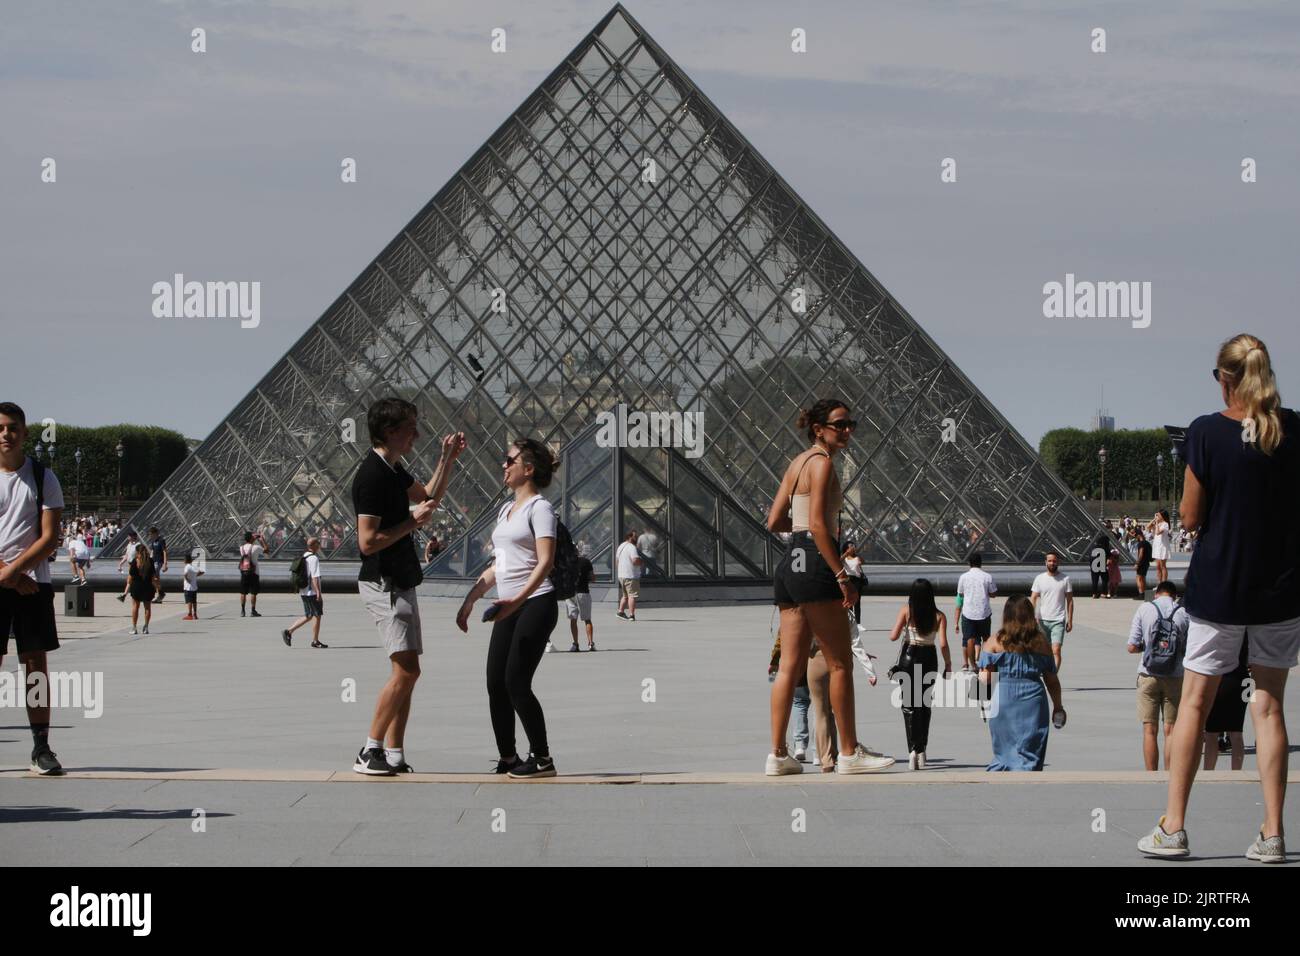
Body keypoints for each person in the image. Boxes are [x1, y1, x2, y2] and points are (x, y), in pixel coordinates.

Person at [1139, 334, 1299, 864]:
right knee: (1270, 709)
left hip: (1221, 588)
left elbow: (1188, 518)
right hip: (1279, 591)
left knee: (1195, 705)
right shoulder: (1293, 429)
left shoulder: (1205, 433)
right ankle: (1273, 834)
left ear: (1225, 378)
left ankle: (1174, 827)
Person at [765, 398, 895, 775]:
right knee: (840, 665)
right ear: (819, 429)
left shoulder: (797, 463)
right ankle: (850, 753)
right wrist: (842, 576)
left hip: (791, 563)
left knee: (789, 667)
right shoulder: (821, 464)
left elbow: (774, 521)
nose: (848, 430)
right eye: (840, 424)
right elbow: (821, 525)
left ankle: (778, 754)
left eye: (851, 423)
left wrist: (803, 530)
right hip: (816, 563)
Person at [352, 397, 464, 776]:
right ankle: (370, 750)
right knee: (405, 671)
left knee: (410, 671)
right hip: (383, 581)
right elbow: (366, 543)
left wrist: (447, 459)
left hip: (400, 578)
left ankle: (395, 751)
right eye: (410, 426)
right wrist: (412, 524)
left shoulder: (393, 468)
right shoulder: (372, 476)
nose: (416, 433)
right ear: (389, 431)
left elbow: (429, 496)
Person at [456, 439, 562, 779]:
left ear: (527, 468)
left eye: (509, 459)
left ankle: (543, 758)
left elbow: (545, 562)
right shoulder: (506, 510)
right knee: (494, 683)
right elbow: (500, 565)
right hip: (508, 604)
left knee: (517, 682)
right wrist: (472, 596)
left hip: (535, 603)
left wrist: (516, 600)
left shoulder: (540, 509)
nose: (504, 465)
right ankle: (509, 757)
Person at [0, 402, 66, 774]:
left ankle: (41, 746)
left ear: (25, 433)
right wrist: (9, 573)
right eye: (1, 428)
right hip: (19, 578)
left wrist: (13, 572)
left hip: (31, 583)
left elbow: (50, 537)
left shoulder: (44, 477)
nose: (6, 434)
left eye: (12, 427)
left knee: (35, 666)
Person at [979, 595, 1064, 771]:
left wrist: (982, 701)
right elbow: (1052, 682)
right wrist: (1058, 706)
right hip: (1034, 702)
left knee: (1004, 754)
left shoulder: (994, 642)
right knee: (1030, 753)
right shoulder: (1041, 643)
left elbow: (985, 678)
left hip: (1003, 699)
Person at [886, 578, 952, 770]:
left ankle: (912, 751)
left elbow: (893, 636)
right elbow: (943, 644)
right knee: (924, 703)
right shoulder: (939, 616)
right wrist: (948, 664)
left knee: (909, 705)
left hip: (909, 657)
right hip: (929, 657)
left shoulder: (906, 611)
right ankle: (922, 749)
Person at [1127, 580, 1189, 770]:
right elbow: (1187, 649)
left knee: (1149, 730)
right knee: (1171, 730)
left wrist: (1147, 649)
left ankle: (1150, 774)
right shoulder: (1183, 613)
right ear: (1174, 595)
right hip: (1175, 675)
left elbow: (1131, 646)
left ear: (1157, 594)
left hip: (1148, 674)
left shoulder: (1145, 609)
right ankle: (1170, 774)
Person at [1203, 638, 1249, 771]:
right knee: (1237, 731)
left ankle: (1208, 771)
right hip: (1243, 678)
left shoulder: (1218, 626)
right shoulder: (1247, 628)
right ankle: (1237, 771)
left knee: (1212, 732)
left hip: (1219, 676)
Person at [1030, 550, 1073, 674]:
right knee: (1042, 650)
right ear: (1045, 562)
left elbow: (1070, 601)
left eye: (1054, 561)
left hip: (1058, 620)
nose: (1052, 563)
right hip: (1042, 620)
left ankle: (1052, 675)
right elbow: (1033, 597)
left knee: (1056, 650)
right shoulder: (1039, 579)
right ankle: (1042, 671)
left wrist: (1070, 620)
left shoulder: (1065, 579)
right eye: (1049, 561)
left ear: (1058, 562)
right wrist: (1032, 616)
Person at [283, 536, 327, 648]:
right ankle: (315, 641)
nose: (319, 545)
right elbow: (314, 577)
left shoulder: (304, 556)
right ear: (313, 545)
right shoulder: (314, 558)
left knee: (309, 615)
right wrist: (318, 593)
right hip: (312, 592)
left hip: (303, 590)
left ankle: (289, 631)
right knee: (317, 615)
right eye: (318, 543)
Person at [955, 553, 996, 671]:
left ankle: (973, 665)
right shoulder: (988, 576)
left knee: (970, 640)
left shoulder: (963, 577)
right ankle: (986, 663)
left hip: (968, 613)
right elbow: (993, 594)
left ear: (969, 563)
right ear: (981, 563)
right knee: (986, 639)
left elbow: (961, 594)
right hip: (984, 612)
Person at [565, 547, 596, 651]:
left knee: (573, 620)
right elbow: (592, 578)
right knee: (587, 619)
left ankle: (575, 644)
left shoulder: (567, 562)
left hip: (570, 593)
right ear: (577, 551)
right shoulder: (586, 562)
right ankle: (590, 643)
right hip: (583, 592)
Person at [127, 544, 154, 635]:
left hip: (136, 586)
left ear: (137, 552)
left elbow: (130, 577)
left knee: (135, 607)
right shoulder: (150, 561)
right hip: (148, 586)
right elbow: (154, 577)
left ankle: (134, 628)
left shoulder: (135, 561)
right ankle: (146, 627)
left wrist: (126, 589)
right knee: (147, 607)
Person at [615, 531, 642, 621]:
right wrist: (641, 562)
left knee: (625, 595)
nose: (637, 538)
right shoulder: (632, 547)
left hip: (621, 575)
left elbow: (617, 562)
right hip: (630, 575)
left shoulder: (621, 546)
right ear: (630, 537)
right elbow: (634, 561)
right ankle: (631, 615)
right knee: (632, 596)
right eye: (635, 536)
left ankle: (620, 612)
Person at [237, 531, 263, 618]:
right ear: (252, 538)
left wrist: (253, 539)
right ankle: (253, 611)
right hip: (254, 572)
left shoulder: (241, 548)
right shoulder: (256, 547)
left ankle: (242, 611)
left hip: (244, 571)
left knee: (243, 592)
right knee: (253, 592)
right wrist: (261, 540)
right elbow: (267, 550)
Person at [840, 543, 864, 623]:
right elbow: (839, 560)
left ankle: (858, 623)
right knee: (849, 601)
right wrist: (846, 553)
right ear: (846, 548)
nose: (853, 547)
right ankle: (851, 621)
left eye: (854, 546)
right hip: (849, 579)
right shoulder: (844, 558)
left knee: (857, 602)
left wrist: (858, 555)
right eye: (851, 546)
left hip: (857, 579)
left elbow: (863, 561)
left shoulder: (857, 557)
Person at [115, 530, 141, 603]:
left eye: (129, 536)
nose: (128, 537)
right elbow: (127, 556)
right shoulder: (129, 545)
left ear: (133, 537)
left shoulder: (138, 545)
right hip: (130, 565)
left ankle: (125, 595)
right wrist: (120, 564)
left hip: (135, 565)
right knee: (130, 580)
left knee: (130, 580)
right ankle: (124, 595)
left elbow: (140, 556)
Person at [1147, 510, 1172, 584]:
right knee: (1158, 566)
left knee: (1162, 565)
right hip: (1157, 546)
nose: (1157, 516)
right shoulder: (1157, 523)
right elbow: (1148, 527)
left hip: (1163, 546)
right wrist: (1154, 520)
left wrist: (1157, 523)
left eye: (1158, 515)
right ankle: (1159, 583)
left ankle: (1164, 583)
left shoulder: (1165, 524)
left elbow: (1157, 532)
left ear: (1162, 516)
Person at [181, 550, 204, 620]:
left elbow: (185, 574)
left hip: (188, 587)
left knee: (189, 601)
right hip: (194, 586)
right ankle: (195, 614)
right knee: (194, 601)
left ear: (185, 560)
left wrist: (187, 580)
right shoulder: (193, 566)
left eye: (183, 559)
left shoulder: (187, 567)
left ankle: (189, 614)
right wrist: (196, 576)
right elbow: (202, 571)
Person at [147, 526, 168, 602]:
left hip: (159, 561)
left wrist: (165, 563)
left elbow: (164, 552)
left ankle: (160, 593)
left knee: (154, 578)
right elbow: (152, 552)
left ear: (155, 533)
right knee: (156, 579)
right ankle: (159, 594)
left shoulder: (161, 540)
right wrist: (149, 559)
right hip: (154, 561)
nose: (150, 536)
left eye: (151, 534)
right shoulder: (153, 541)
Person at [1089, 532, 1109, 598]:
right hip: (1102, 564)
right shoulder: (1104, 547)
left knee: (1094, 580)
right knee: (1104, 579)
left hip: (1094, 565)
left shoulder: (1093, 547)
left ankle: (1094, 594)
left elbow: (1090, 556)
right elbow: (1109, 555)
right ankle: (1104, 593)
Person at [1134, 531, 1152, 600]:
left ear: (1139, 535)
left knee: (1139, 578)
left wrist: (1137, 563)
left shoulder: (1141, 543)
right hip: (1146, 563)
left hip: (1142, 562)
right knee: (1143, 578)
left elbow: (1141, 554)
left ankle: (1141, 594)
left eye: (1136, 536)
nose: (1136, 538)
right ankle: (1144, 594)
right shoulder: (1147, 543)